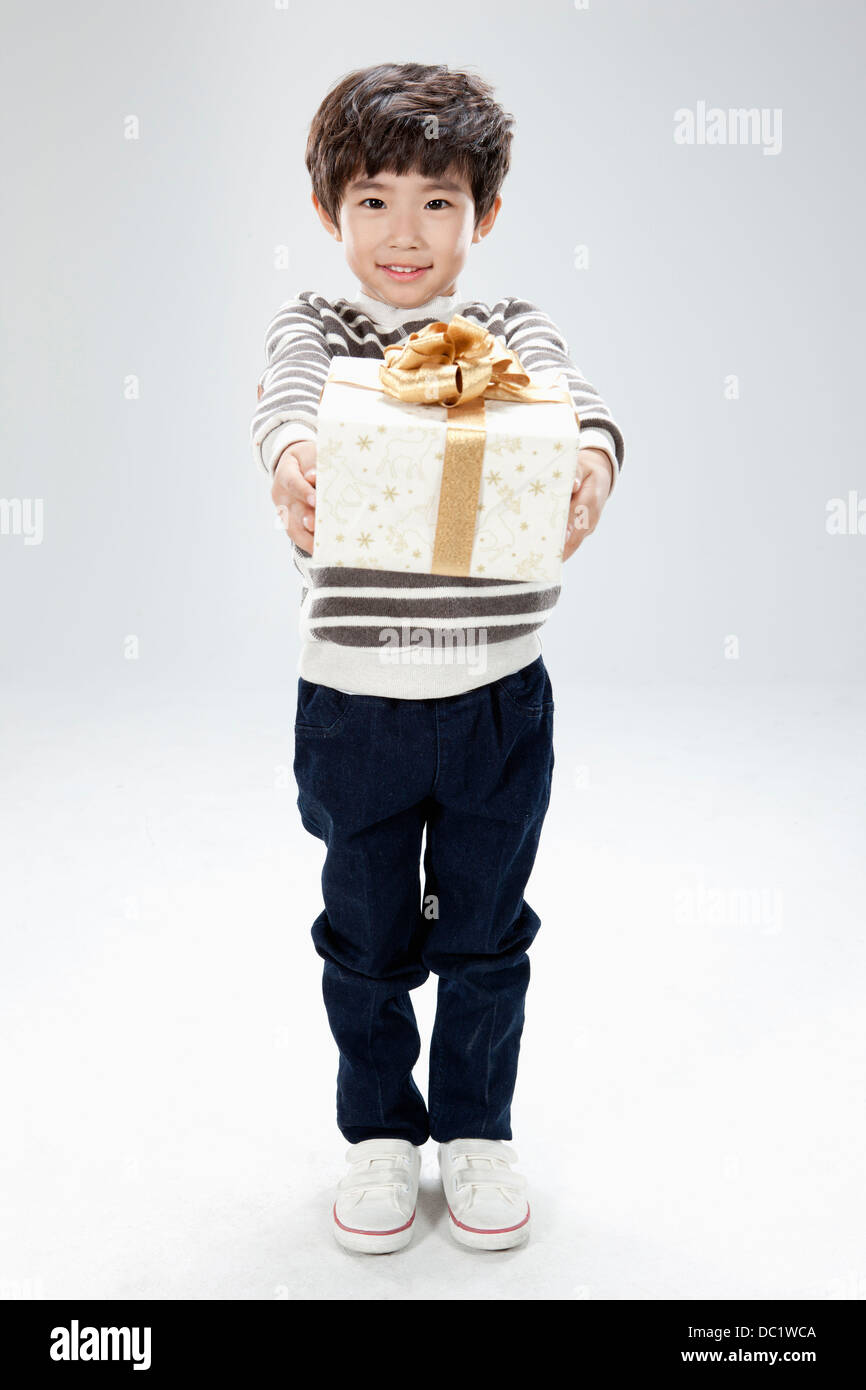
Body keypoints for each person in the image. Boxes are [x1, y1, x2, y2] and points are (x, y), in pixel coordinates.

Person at [250, 62, 625, 1255]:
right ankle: (376, 1137)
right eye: (372, 201)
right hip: (354, 703)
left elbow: (582, 408)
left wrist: (589, 465)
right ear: (329, 213)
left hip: (496, 697)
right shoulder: (322, 327)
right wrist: (293, 462)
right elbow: (288, 403)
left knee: (484, 929)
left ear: (483, 214)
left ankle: (474, 1129)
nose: (402, 233)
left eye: (435, 202)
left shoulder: (509, 332)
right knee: (362, 932)